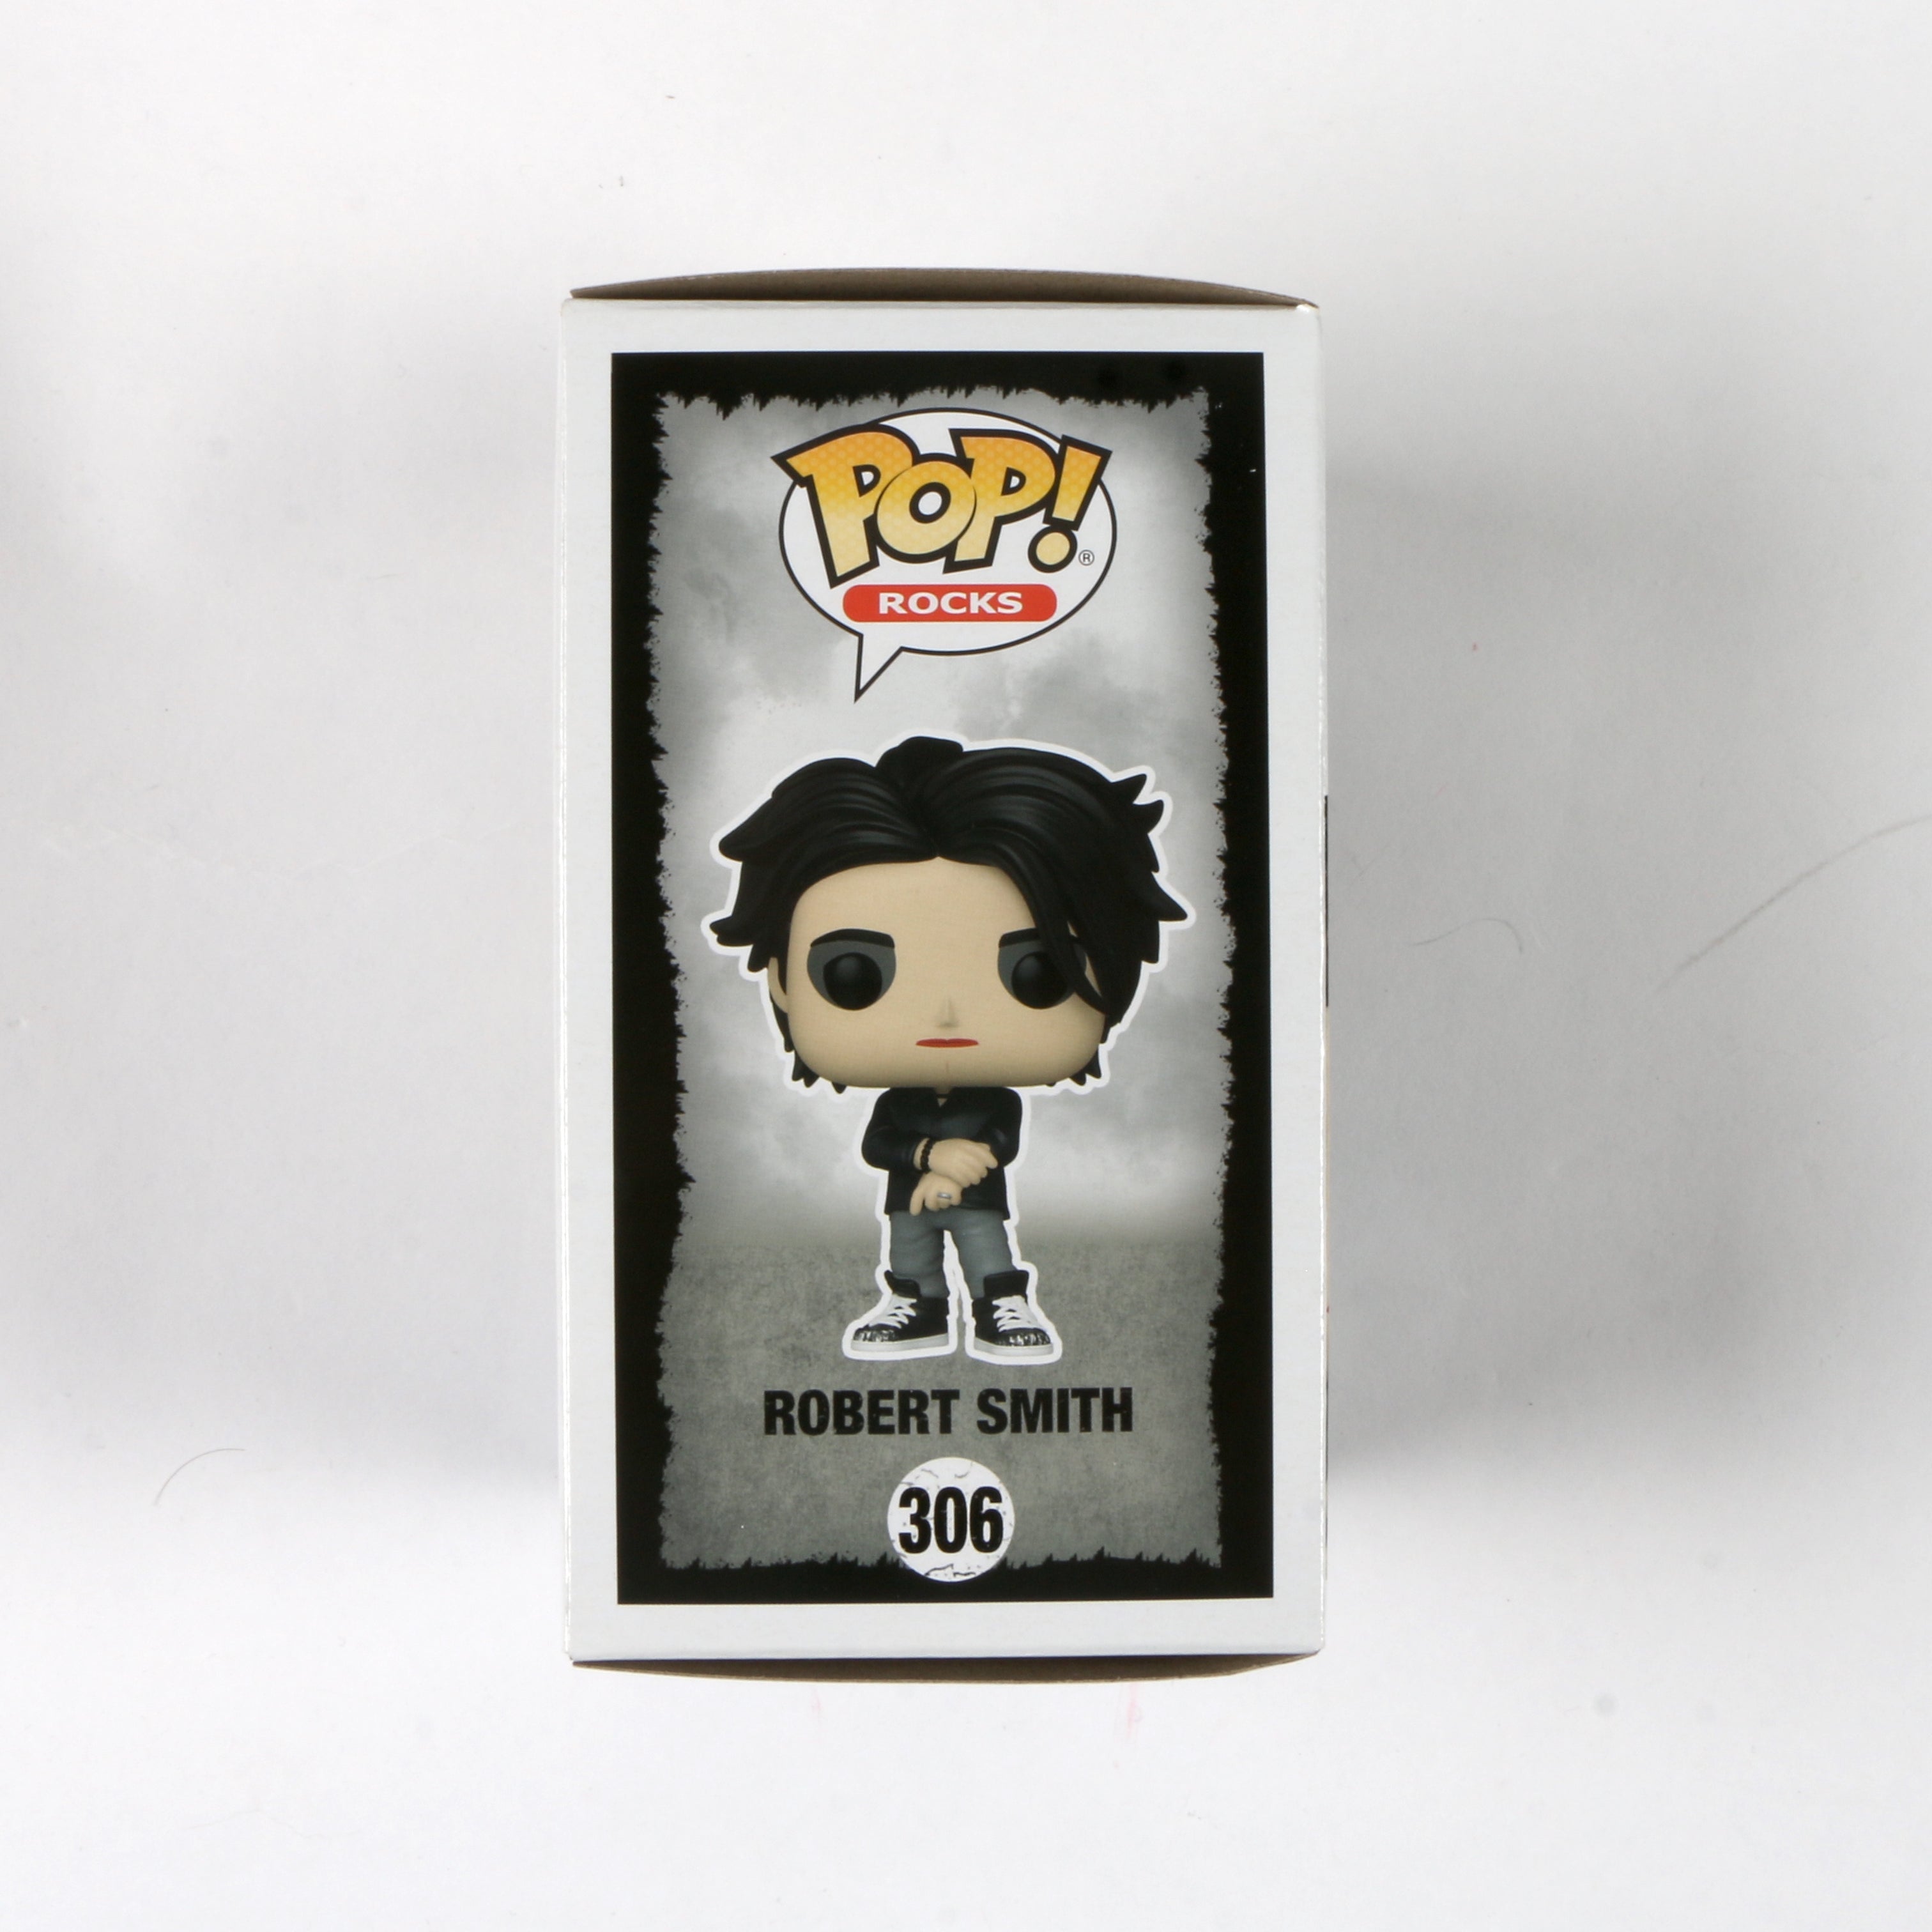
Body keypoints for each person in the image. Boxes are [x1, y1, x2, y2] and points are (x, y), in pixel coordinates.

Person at [709, 735, 1187, 1365]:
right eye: (855, 974)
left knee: (987, 1250)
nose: (945, 1015)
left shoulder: (996, 1101)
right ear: (782, 980)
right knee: (908, 1254)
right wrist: (931, 1157)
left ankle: (1000, 1306)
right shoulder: (899, 1106)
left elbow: (1002, 1140)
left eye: (1036, 973)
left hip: (975, 1199)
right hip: (909, 1200)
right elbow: (878, 1146)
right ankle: (916, 1307)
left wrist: (954, 1169)